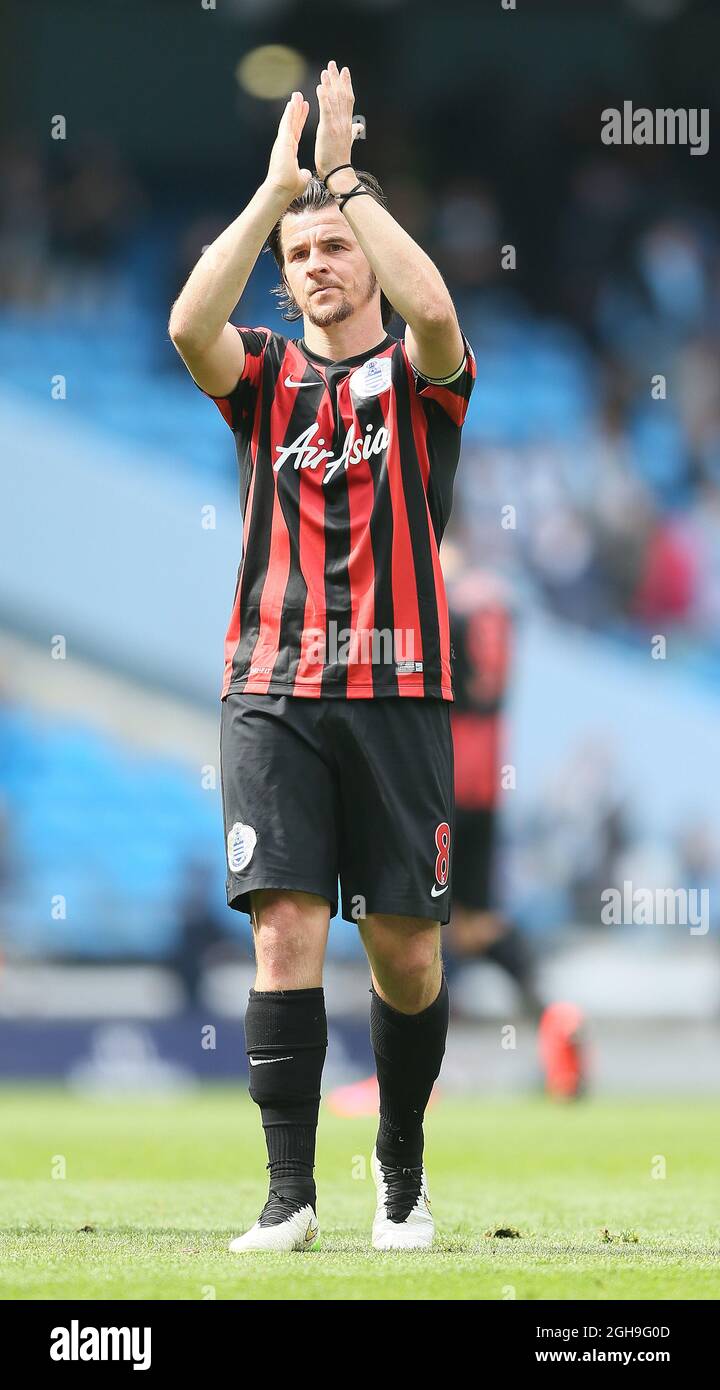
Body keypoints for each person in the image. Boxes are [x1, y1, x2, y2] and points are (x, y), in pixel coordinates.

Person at [169, 61, 476, 1252]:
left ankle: (400, 1174)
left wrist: (345, 181)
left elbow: (441, 317)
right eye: (301, 255)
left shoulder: (415, 381)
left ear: (368, 256)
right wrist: (276, 194)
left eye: (333, 248)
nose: (315, 264)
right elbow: (188, 325)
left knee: (405, 954)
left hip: (399, 685)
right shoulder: (262, 379)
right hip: (274, 687)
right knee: (284, 927)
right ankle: (289, 1195)